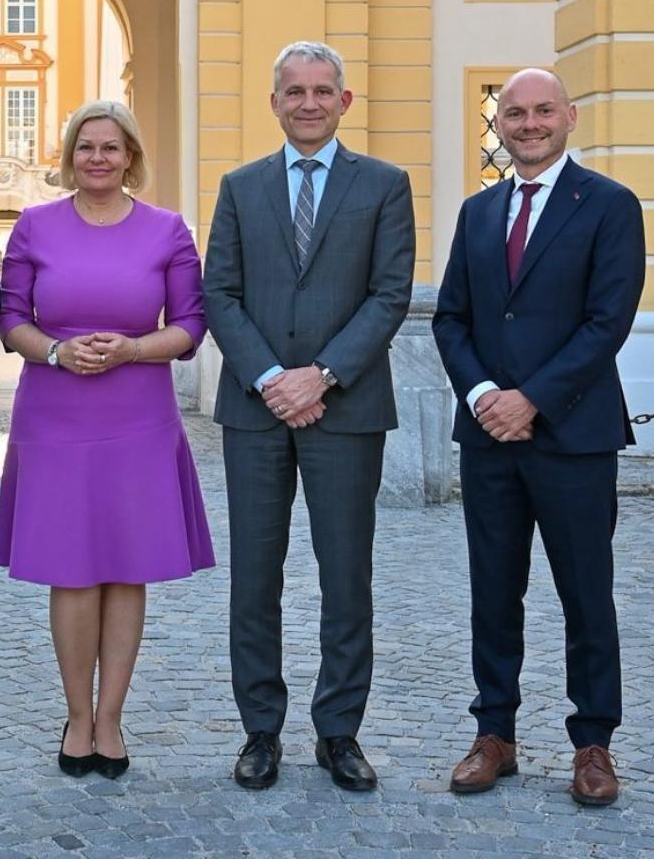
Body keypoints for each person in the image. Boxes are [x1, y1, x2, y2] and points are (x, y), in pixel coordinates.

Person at [430, 67, 646, 808]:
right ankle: (495, 734)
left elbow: (607, 321)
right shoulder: (479, 212)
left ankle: (593, 742)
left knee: (586, 594)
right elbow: (451, 318)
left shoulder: (609, 205)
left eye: (543, 110)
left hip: (573, 435)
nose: (529, 124)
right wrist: (485, 396)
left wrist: (535, 400)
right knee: (494, 591)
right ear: (499, 124)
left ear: (569, 117)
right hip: (489, 436)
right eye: (515, 113)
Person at [203, 40, 416, 792]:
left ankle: (338, 732)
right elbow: (219, 292)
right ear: (275, 103)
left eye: (322, 91)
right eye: (294, 91)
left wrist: (321, 375)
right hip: (256, 409)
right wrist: (271, 378)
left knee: (346, 575)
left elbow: (390, 294)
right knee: (255, 576)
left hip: (346, 408)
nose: (308, 103)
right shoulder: (240, 187)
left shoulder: (384, 184)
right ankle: (260, 730)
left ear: (344, 101)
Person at [0, 100, 214, 780]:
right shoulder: (34, 225)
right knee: (71, 568)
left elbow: (191, 324)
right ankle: (77, 717)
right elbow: (10, 318)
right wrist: (58, 353)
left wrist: (134, 349)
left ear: (130, 157)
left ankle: (111, 717)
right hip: (55, 413)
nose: (97, 158)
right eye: (85, 147)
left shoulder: (167, 230)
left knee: (125, 566)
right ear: (69, 156)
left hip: (138, 413)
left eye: (110, 147)